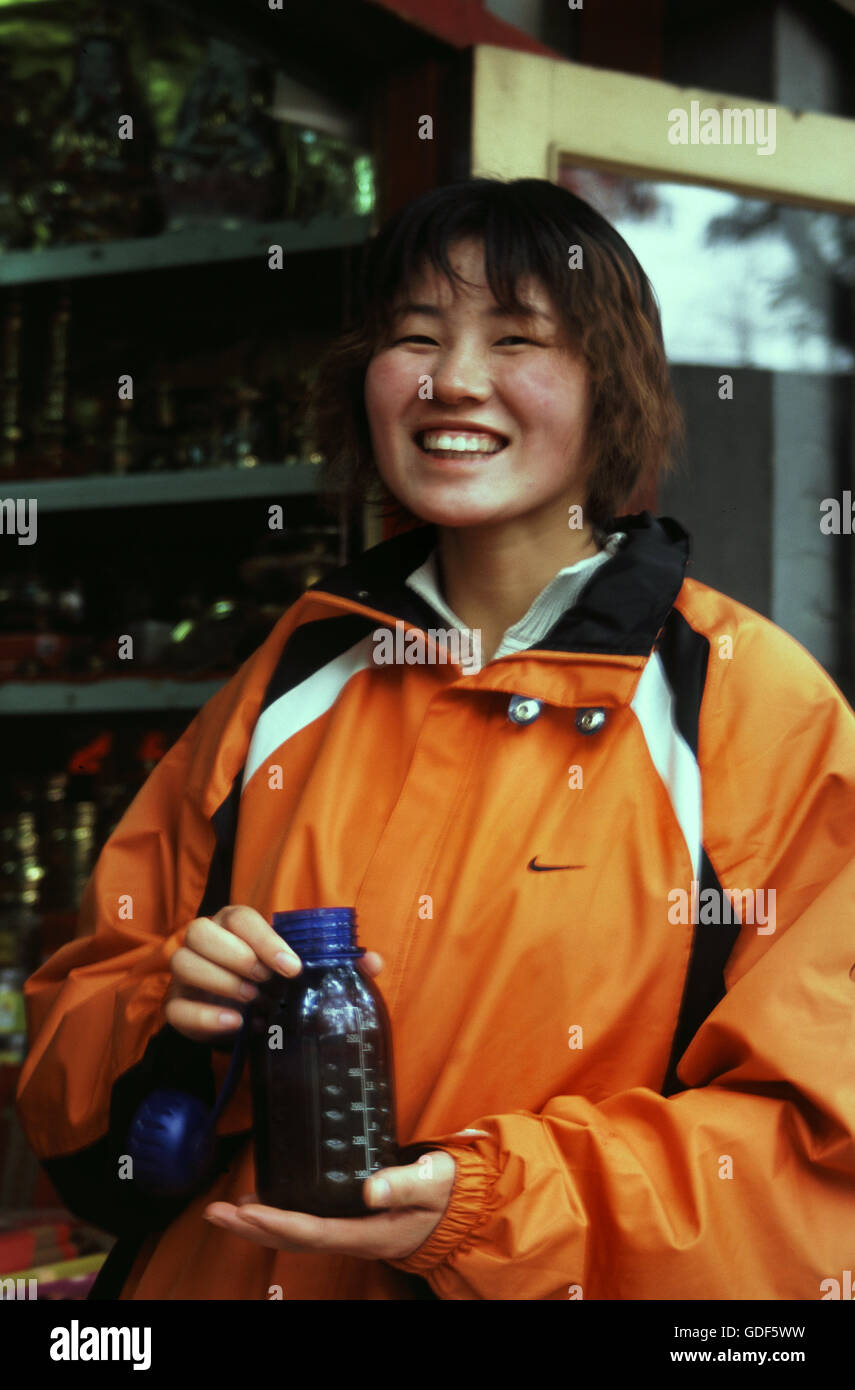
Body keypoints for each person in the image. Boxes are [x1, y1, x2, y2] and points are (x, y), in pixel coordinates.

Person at [16, 178, 855, 1301]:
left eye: (517, 338)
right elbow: (73, 1042)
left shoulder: (751, 707)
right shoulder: (294, 674)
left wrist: (487, 1207)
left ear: (614, 391)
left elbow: (819, 1146)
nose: (452, 379)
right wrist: (171, 1015)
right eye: (415, 335)